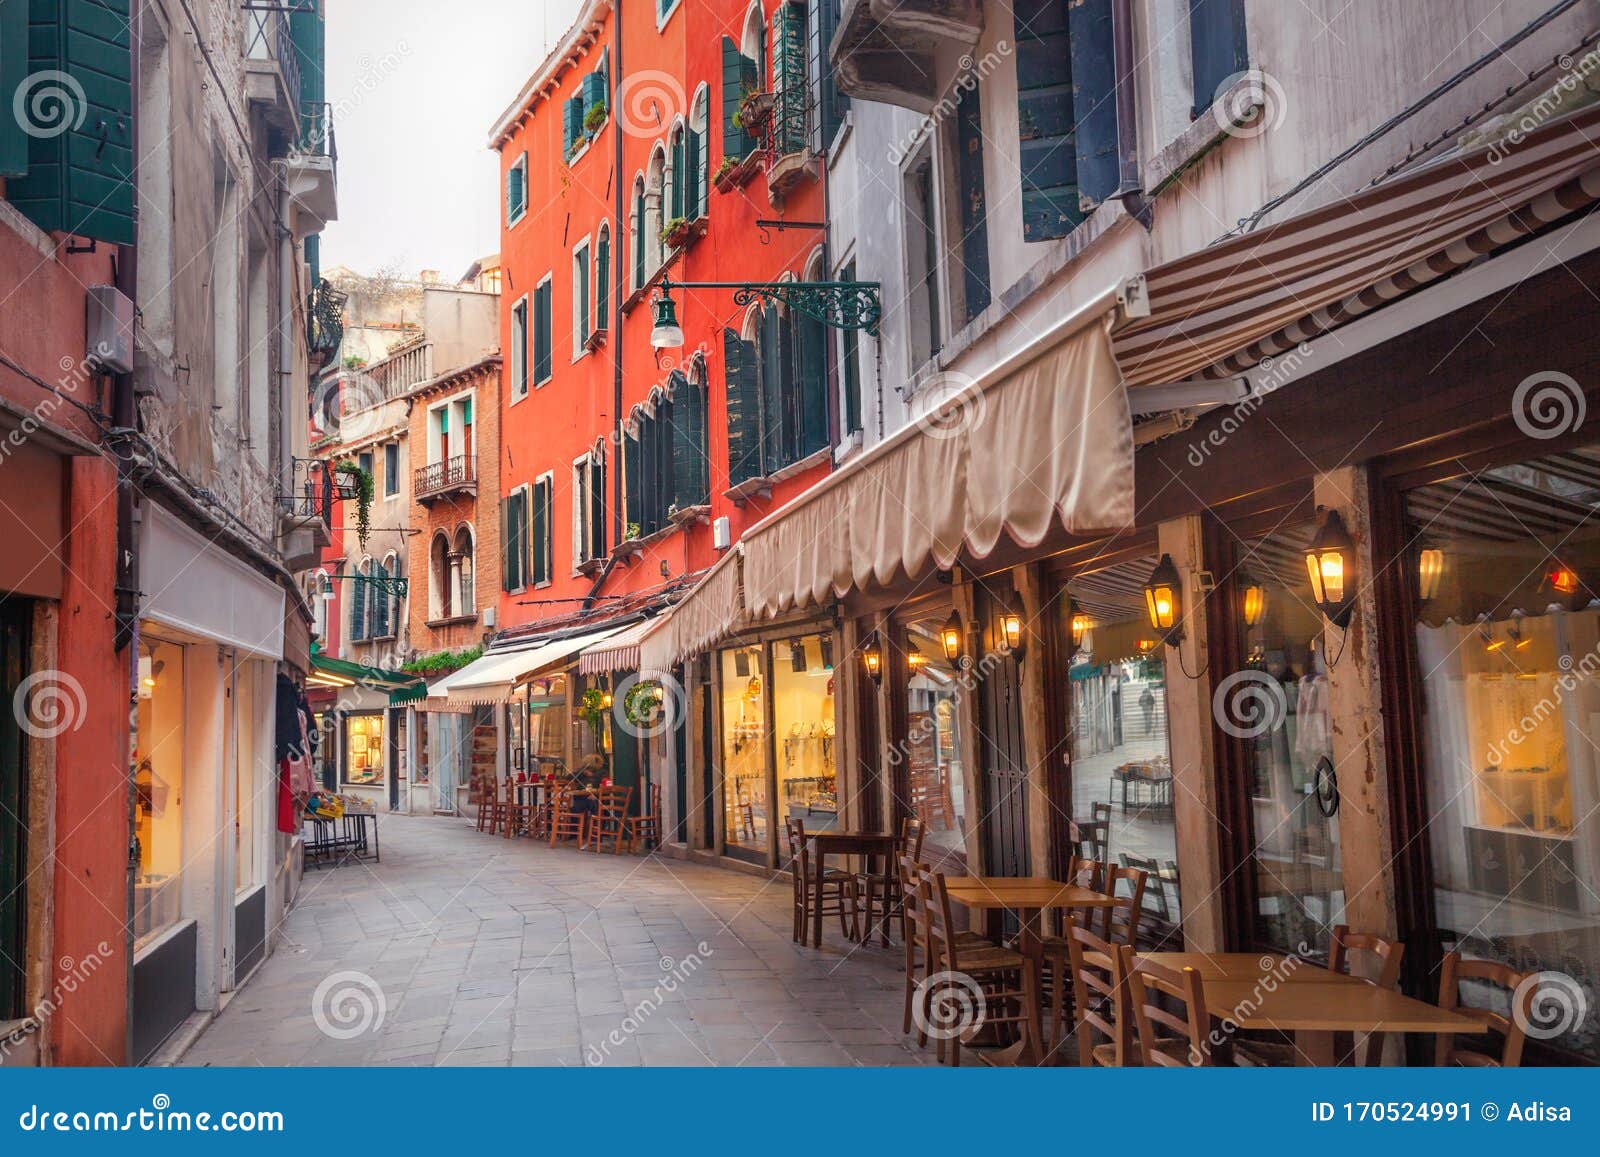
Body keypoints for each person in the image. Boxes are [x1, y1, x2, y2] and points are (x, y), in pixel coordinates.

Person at [566, 754, 607, 818]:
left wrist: (596, 795)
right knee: (578, 804)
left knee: (585, 803)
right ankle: (583, 824)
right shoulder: (582, 773)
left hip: (595, 799)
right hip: (584, 798)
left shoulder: (602, 773)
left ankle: (578, 825)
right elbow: (568, 777)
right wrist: (582, 772)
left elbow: (603, 786)